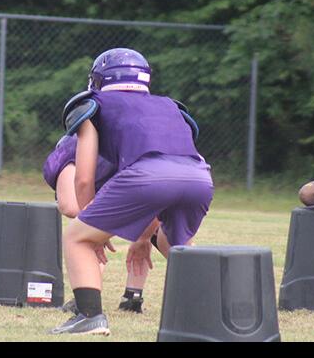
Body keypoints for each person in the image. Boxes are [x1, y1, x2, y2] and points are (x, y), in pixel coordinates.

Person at [49, 48, 214, 335]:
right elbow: (175, 163)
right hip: (199, 177)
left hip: (147, 174)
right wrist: (144, 236)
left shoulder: (93, 105)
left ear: (99, 79)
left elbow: (84, 178)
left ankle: (89, 316)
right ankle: (218, 309)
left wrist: (92, 226)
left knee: (77, 238)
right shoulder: (170, 106)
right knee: (177, 245)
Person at [43, 134, 174, 314]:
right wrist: (99, 227)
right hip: (167, 176)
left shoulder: (68, 156)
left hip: (148, 178)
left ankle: (94, 298)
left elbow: (70, 207)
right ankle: (128, 297)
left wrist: (99, 227)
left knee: (83, 237)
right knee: (89, 237)